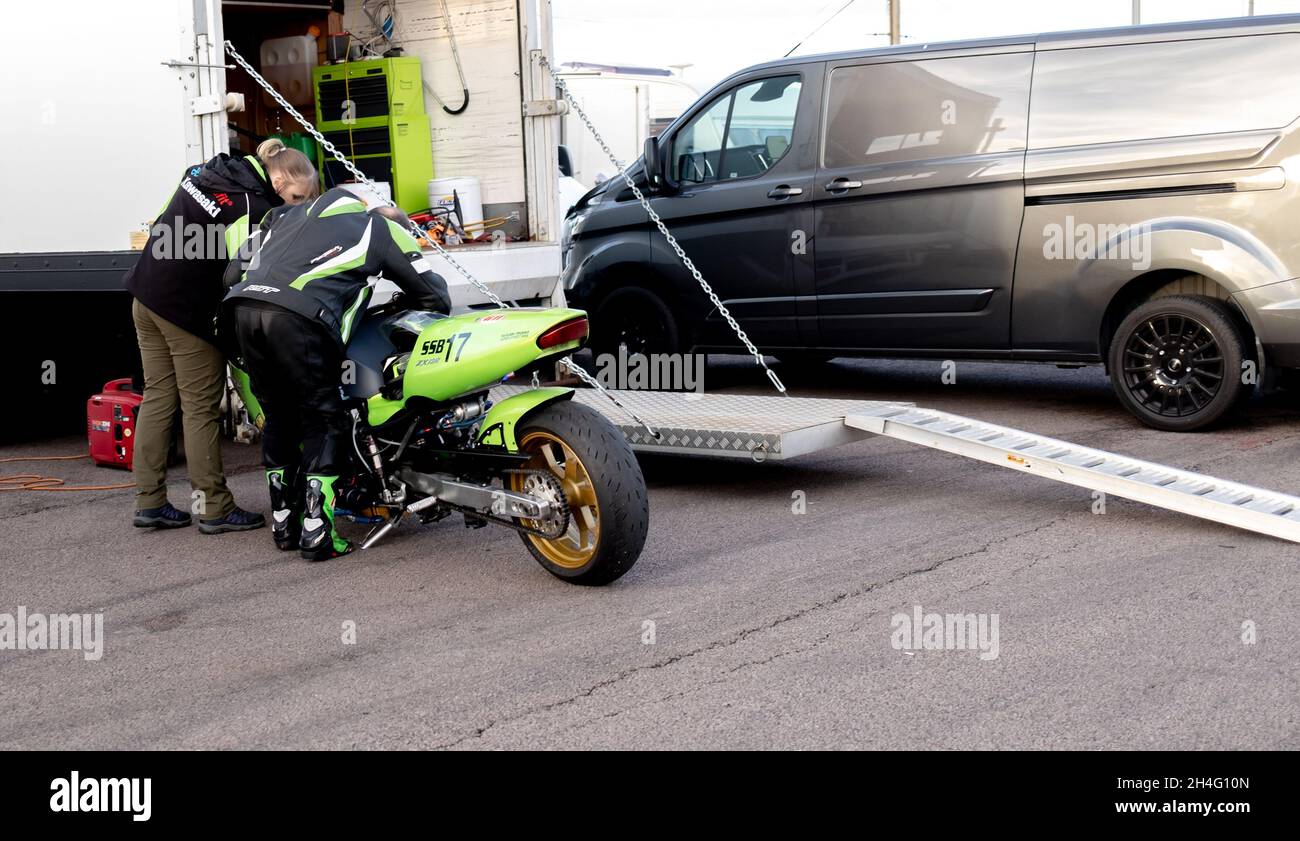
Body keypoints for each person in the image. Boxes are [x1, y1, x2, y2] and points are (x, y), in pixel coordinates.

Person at [223, 188, 452, 560]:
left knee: (279, 416)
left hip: (242, 312)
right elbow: (434, 297)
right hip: (298, 319)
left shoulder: (283, 217)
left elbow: (231, 273)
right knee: (323, 420)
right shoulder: (378, 228)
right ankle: (317, 533)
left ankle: (284, 524)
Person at [124, 139, 318, 534]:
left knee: (159, 395)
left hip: (145, 296)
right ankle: (213, 507)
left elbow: (160, 221)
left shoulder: (204, 172)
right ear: (278, 178)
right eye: (296, 196)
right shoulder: (252, 206)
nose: (296, 206)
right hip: (185, 312)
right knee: (200, 407)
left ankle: (150, 502)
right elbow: (242, 276)